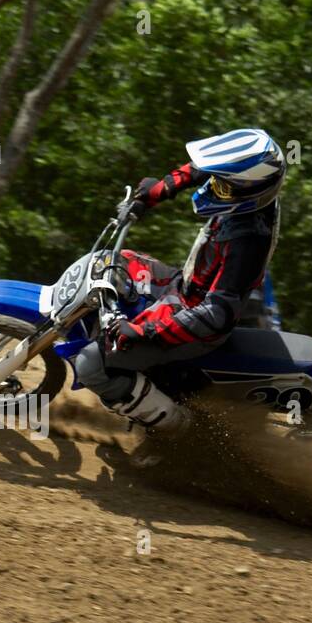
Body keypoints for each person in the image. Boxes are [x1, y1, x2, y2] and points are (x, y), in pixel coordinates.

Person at [72, 127, 287, 467]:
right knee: (116, 262)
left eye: (222, 185)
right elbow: (200, 168)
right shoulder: (248, 192)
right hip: (186, 283)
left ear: (247, 191)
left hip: (195, 315)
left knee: (92, 364)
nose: (212, 187)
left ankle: (176, 433)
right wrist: (155, 192)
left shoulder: (249, 239)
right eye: (217, 180)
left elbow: (214, 314)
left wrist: (144, 332)